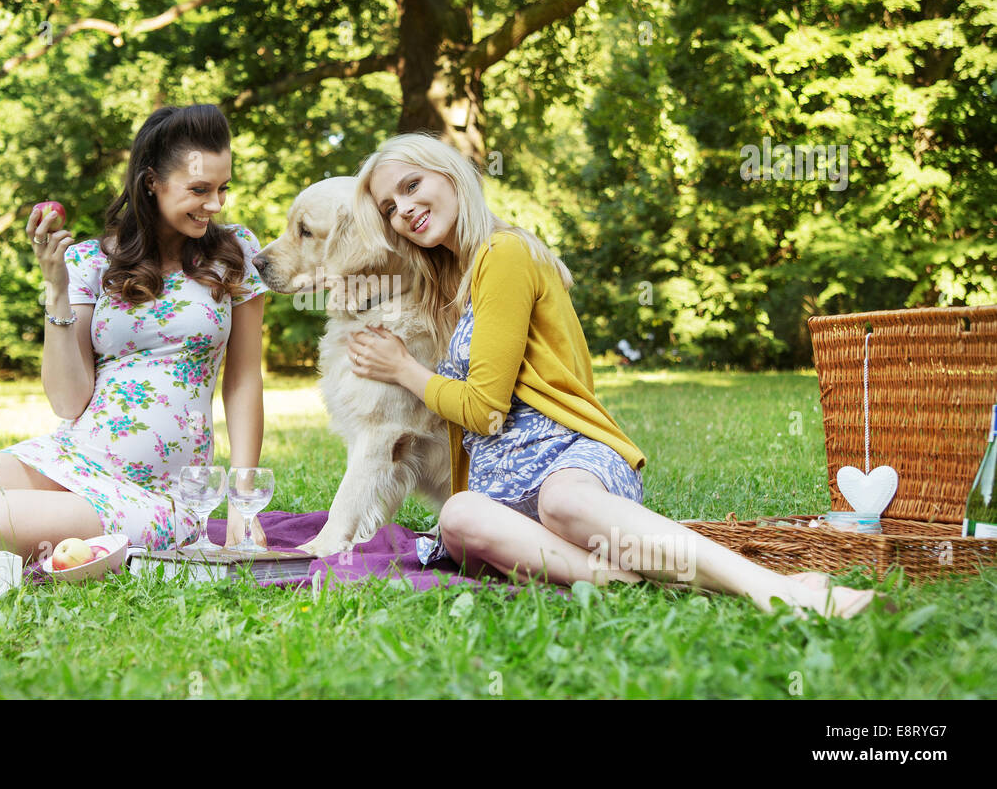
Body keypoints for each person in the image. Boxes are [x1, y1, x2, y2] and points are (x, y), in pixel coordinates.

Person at [343, 133, 883, 618]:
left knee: (564, 503)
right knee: (458, 518)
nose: (405, 210)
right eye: (390, 207)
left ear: (452, 174)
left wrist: (405, 370)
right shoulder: (452, 282)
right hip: (498, 485)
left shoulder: (503, 253)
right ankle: (622, 578)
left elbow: (485, 409)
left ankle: (776, 589)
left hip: (566, 458)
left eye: (413, 186)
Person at [0, 104, 267, 560]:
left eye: (223, 189)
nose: (215, 204)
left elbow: (244, 380)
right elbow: (68, 401)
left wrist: (243, 505)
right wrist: (57, 289)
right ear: (152, 183)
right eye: (200, 189)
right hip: (74, 456)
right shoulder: (91, 261)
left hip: (162, 494)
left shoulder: (236, 252)